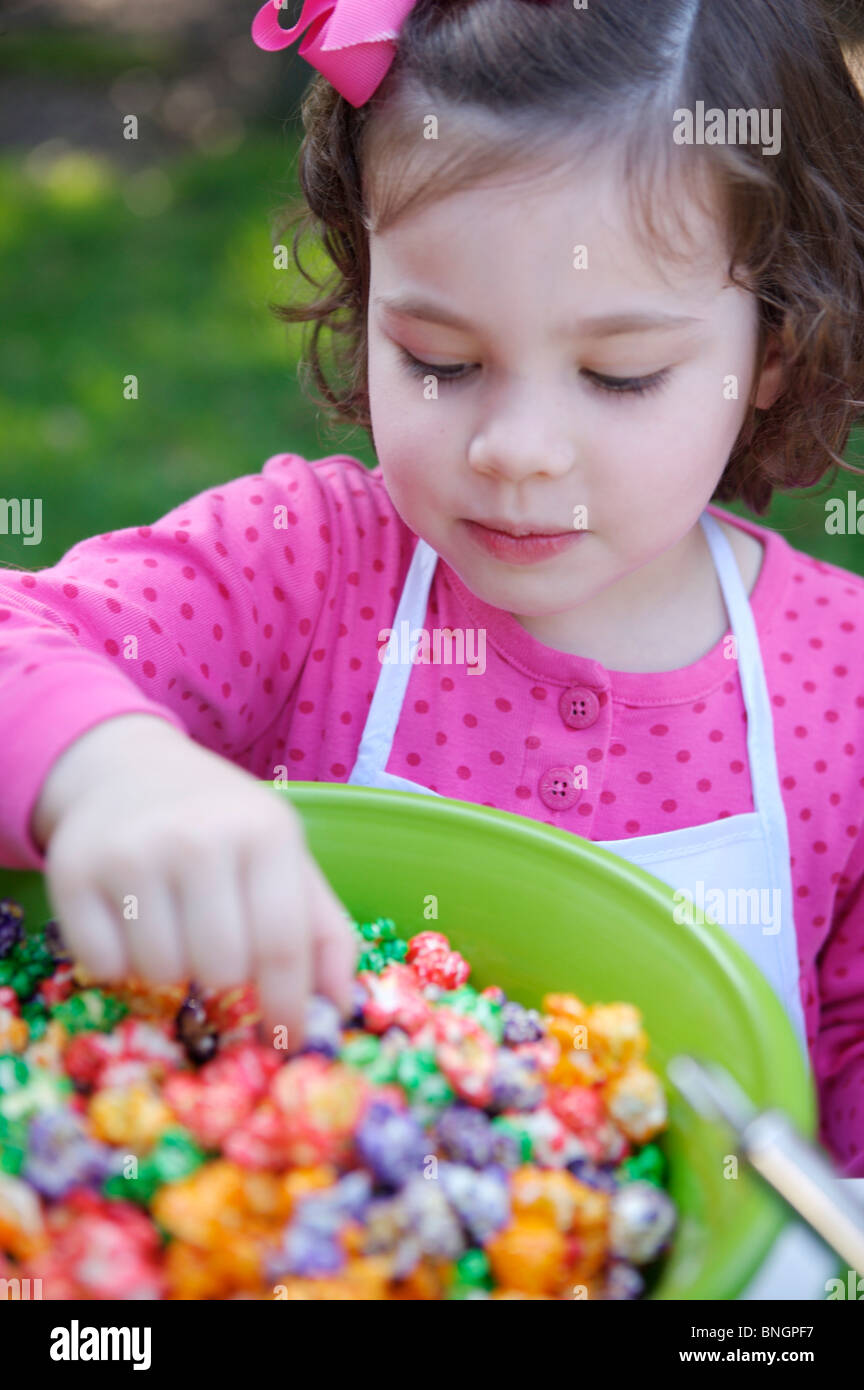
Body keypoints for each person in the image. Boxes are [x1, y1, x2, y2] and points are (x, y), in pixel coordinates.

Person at [1, 0, 863, 1182]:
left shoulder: (843, 690)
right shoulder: (303, 569)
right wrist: (104, 769)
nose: (516, 448)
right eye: (439, 360)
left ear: (772, 348)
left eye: (619, 375)